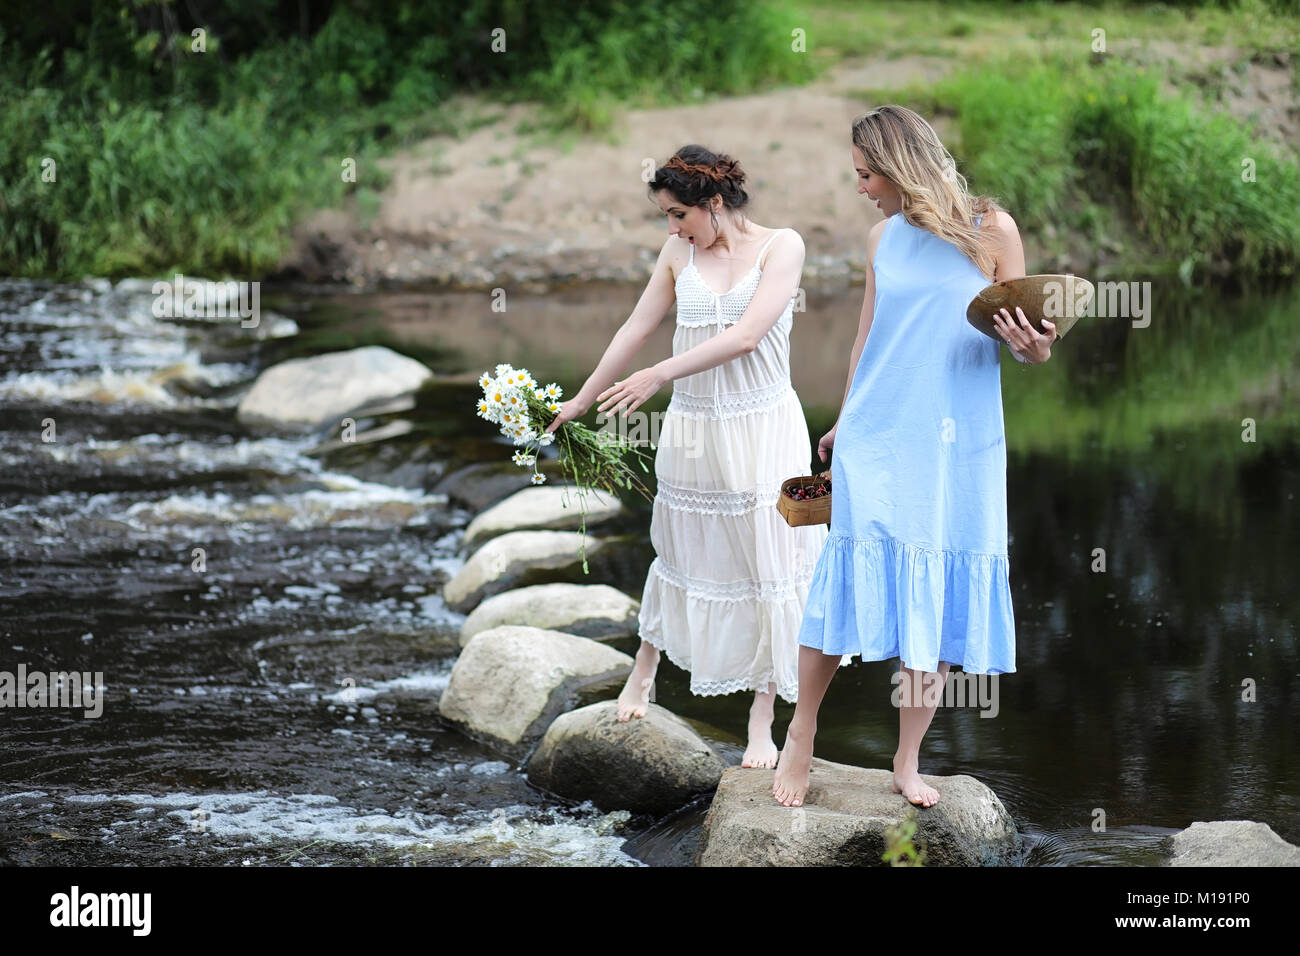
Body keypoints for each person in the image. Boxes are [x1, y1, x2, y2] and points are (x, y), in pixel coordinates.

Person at [772, 105, 1057, 808]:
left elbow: (1031, 341)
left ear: (901, 167)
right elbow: (867, 340)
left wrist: (1034, 346)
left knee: (938, 600)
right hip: (880, 433)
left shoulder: (993, 231)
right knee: (841, 583)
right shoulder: (881, 239)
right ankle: (801, 734)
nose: (862, 188)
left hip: (960, 444)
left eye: (867, 174)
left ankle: (906, 761)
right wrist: (843, 419)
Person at [545, 144, 831, 769]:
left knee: (773, 559)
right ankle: (643, 674)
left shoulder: (784, 246)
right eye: (666, 218)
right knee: (677, 549)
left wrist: (657, 375)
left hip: (766, 425)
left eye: (678, 215)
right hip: (695, 427)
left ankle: (764, 718)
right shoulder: (678, 253)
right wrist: (580, 400)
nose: (671, 229)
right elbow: (634, 327)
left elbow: (748, 334)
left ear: (715, 203)